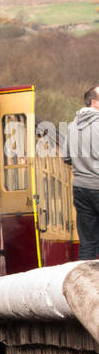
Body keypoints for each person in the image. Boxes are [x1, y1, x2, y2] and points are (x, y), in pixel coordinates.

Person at [62, 87, 99, 261]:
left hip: (80, 188)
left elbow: (67, 158)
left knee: (87, 243)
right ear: (94, 102)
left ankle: (86, 286)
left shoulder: (72, 126)